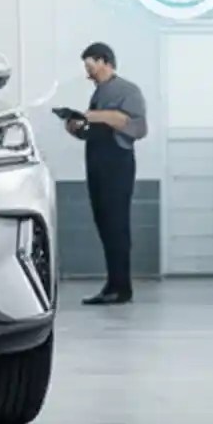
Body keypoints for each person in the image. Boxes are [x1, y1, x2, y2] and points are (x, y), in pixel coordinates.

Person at [64, 42, 148, 305]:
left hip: (116, 164)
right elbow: (94, 129)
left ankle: (121, 288)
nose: (88, 73)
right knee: (104, 224)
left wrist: (94, 116)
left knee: (116, 225)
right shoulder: (99, 92)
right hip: (97, 163)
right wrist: (77, 127)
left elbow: (137, 126)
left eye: (90, 66)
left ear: (105, 61)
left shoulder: (127, 90)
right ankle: (113, 284)